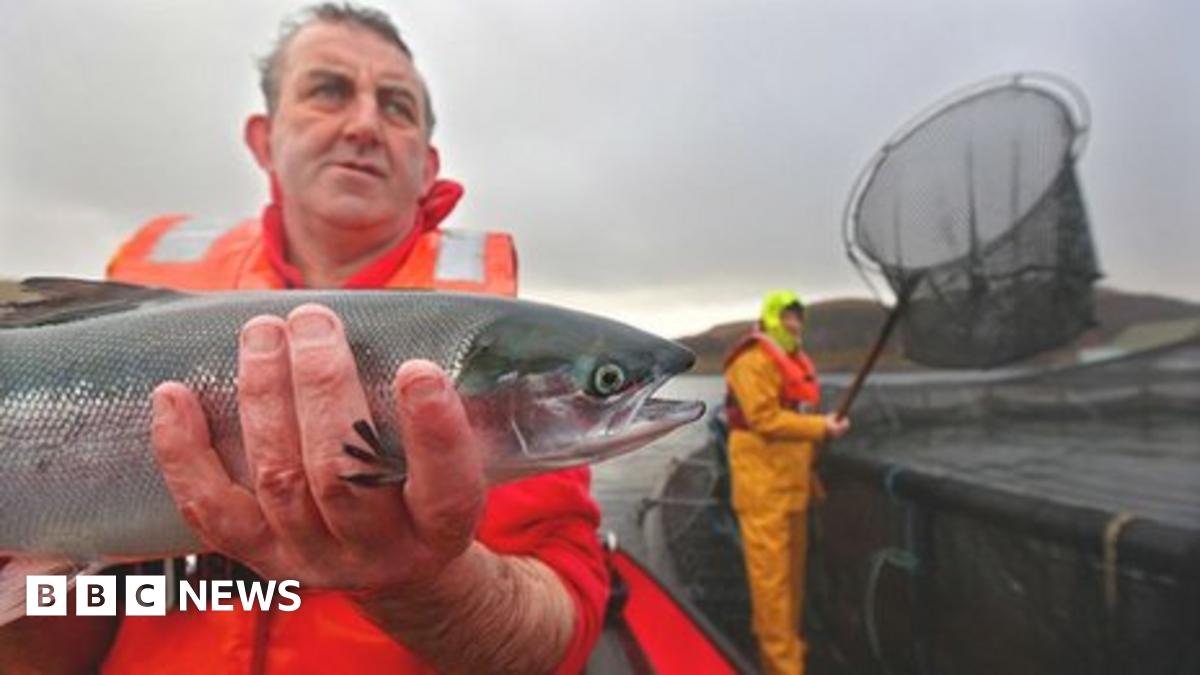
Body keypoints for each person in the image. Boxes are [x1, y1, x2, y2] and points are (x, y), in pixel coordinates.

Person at [0, 4, 607, 673]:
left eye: (398, 106)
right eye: (329, 91)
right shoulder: (126, 303)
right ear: (264, 139)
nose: (365, 124)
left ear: (429, 165)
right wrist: (40, 593)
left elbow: (559, 627)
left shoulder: (495, 356)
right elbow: (73, 619)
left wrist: (422, 584)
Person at [723, 290, 850, 675]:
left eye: (799, 318)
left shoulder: (790, 361)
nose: (795, 325)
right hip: (763, 493)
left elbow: (792, 419)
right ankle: (782, 667)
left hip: (792, 490)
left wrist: (812, 460)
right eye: (788, 317)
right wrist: (821, 428)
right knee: (772, 590)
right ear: (771, 318)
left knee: (791, 586)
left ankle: (788, 654)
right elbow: (764, 419)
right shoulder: (752, 361)